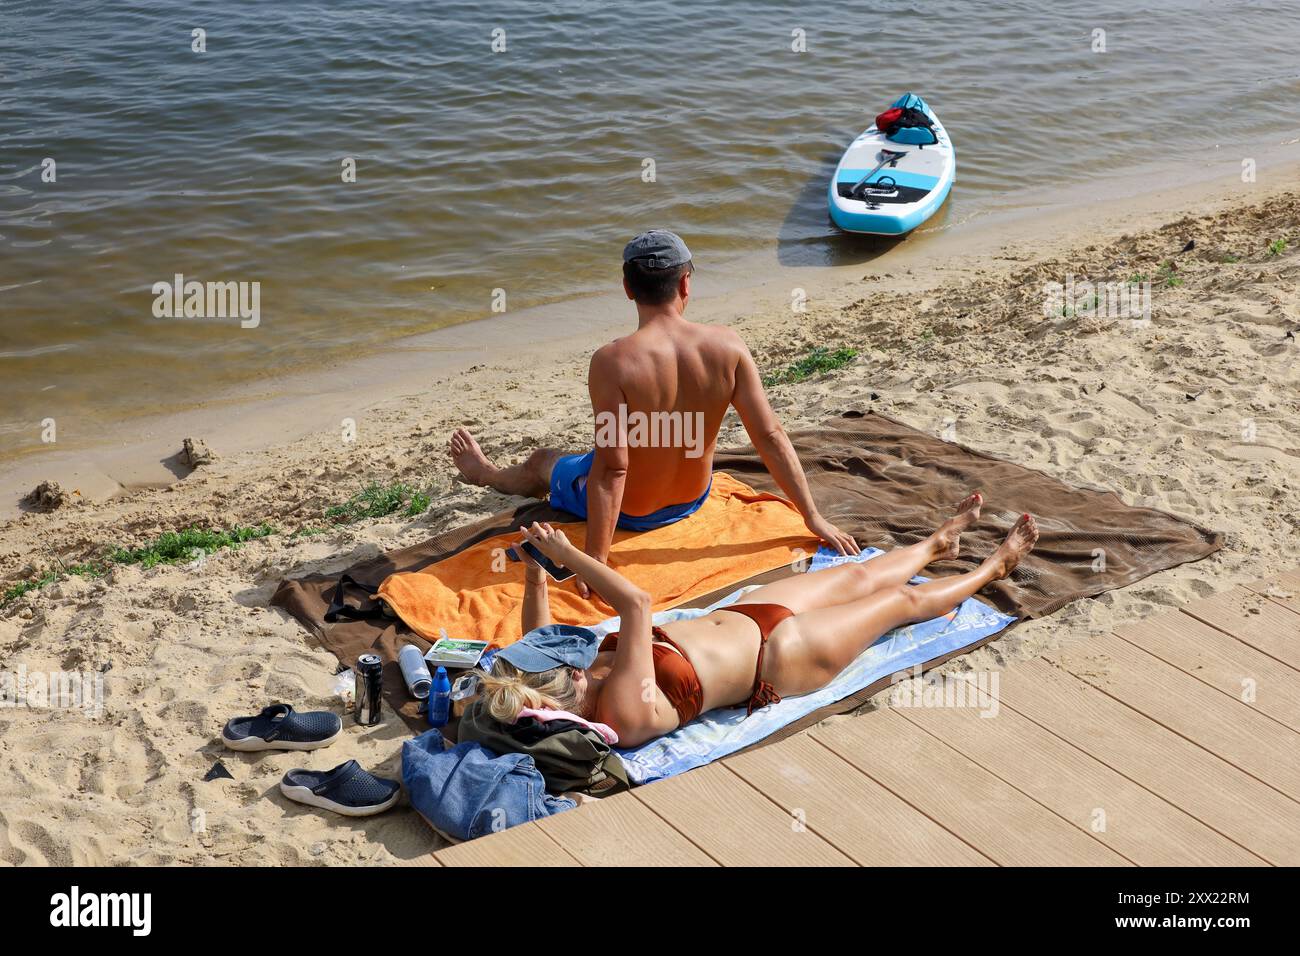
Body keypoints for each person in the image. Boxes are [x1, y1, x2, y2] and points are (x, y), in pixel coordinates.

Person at [449, 229, 858, 596]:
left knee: (544, 461)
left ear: (627, 287)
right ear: (685, 283)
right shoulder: (728, 346)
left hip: (634, 512)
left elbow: (613, 470)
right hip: (692, 499)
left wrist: (595, 562)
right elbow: (769, 436)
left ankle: (483, 473)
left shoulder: (614, 361)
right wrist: (813, 517)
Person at [481, 493, 1038, 748]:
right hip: (781, 658)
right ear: (564, 708)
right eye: (567, 675)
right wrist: (573, 556)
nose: (574, 665)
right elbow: (636, 606)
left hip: (745, 616)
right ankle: (993, 567)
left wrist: (537, 571)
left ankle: (933, 546)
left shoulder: (579, 685)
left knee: (857, 578)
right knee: (900, 607)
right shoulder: (622, 713)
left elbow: (539, 639)